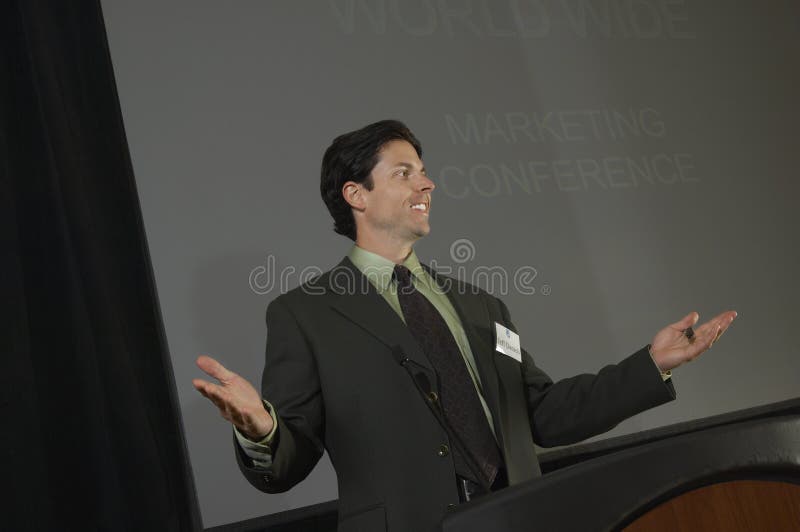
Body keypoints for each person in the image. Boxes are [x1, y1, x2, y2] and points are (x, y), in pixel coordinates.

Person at [193, 120, 736, 532]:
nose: (426, 183)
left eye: (424, 172)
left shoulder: (481, 305)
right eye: (404, 173)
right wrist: (260, 429)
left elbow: (544, 415)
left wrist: (652, 365)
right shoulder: (306, 314)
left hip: (519, 518)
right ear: (355, 195)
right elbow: (289, 460)